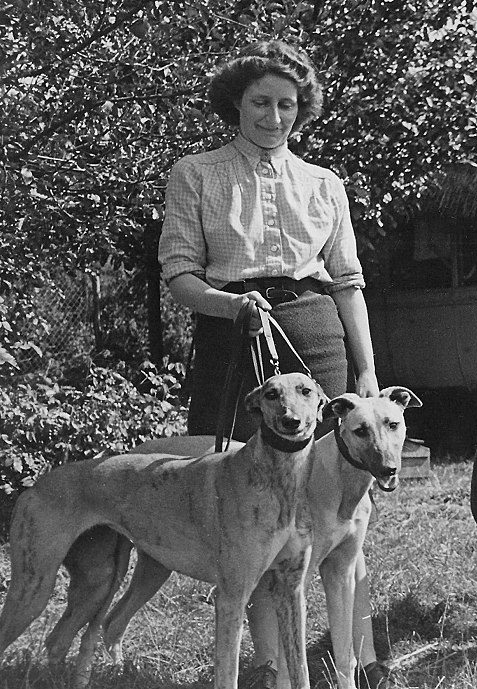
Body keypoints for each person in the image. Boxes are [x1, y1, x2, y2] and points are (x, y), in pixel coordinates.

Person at [158, 40, 390, 689]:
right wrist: (229, 307)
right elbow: (177, 273)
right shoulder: (195, 174)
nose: (274, 115)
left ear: (302, 109)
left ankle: (359, 660)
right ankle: (269, 668)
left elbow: (348, 281)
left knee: (341, 507)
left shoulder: (325, 184)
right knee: (251, 510)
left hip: (317, 337)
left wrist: (366, 373)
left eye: (287, 104)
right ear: (236, 102)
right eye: (261, 101)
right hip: (232, 337)